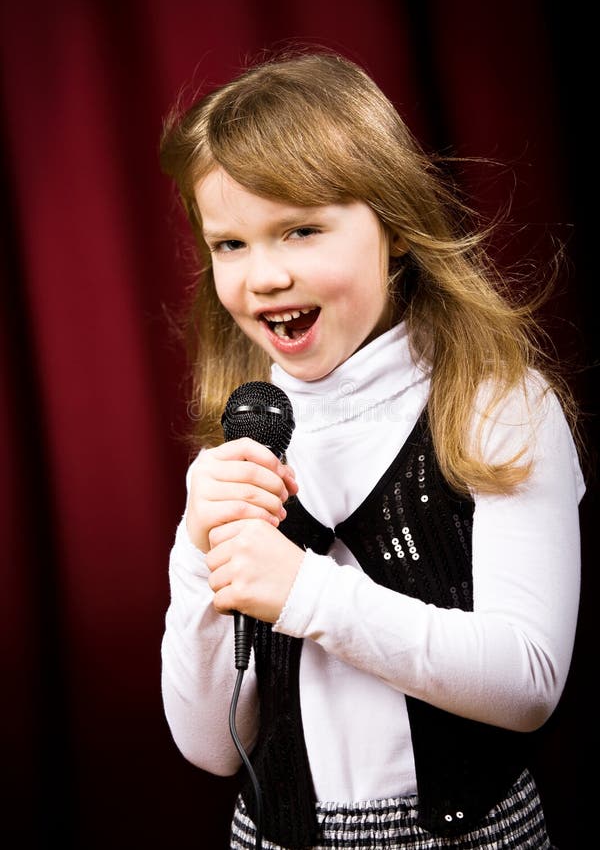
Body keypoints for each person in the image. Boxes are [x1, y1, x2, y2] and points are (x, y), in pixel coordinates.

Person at [158, 50, 584, 850]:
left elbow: (528, 682)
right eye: (231, 245)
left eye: (302, 230)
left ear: (393, 229)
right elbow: (211, 747)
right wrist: (196, 554)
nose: (266, 276)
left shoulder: (495, 402)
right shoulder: (253, 433)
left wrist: (306, 592)